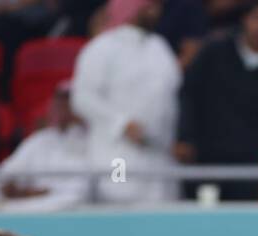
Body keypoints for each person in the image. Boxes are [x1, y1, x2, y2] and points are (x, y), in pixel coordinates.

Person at [71, 0, 181, 204]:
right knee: (119, 213)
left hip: (159, 157)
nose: (155, 12)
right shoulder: (101, 47)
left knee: (162, 218)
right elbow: (82, 98)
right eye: (149, 6)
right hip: (117, 155)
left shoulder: (160, 47)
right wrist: (122, 124)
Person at [174, 1, 258, 201]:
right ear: (245, 20)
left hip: (246, 164)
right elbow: (189, 93)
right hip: (206, 158)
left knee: (241, 225)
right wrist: (184, 137)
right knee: (201, 223)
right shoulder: (214, 52)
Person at [0, 84, 93, 210]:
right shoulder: (41, 139)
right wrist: (11, 187)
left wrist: (34, 194)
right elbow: (8, 173)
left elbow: (79, 192)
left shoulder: (92, 141)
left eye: (67, 102)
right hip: (23, 199)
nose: (60, 107)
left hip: (57, 203)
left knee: (68, 203)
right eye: (58, 101)